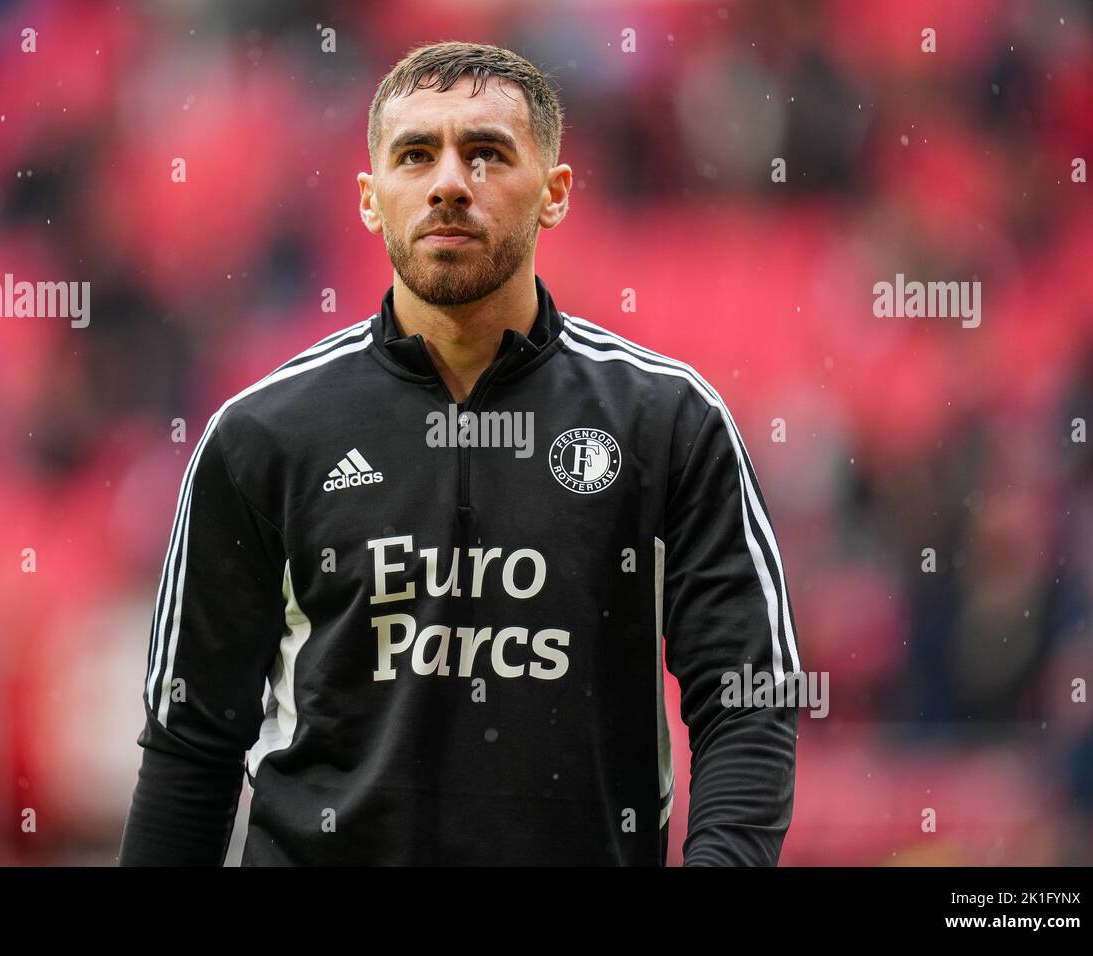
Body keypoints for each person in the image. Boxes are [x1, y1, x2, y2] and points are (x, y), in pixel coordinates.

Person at [119, 39, 802, 866]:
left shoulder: (669, 424)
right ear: (372, 200)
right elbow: (191, 745)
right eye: (416, 155)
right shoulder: (263, 436)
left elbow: (746, 703)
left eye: (485, 153)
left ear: (554, 195)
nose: (449, 182)